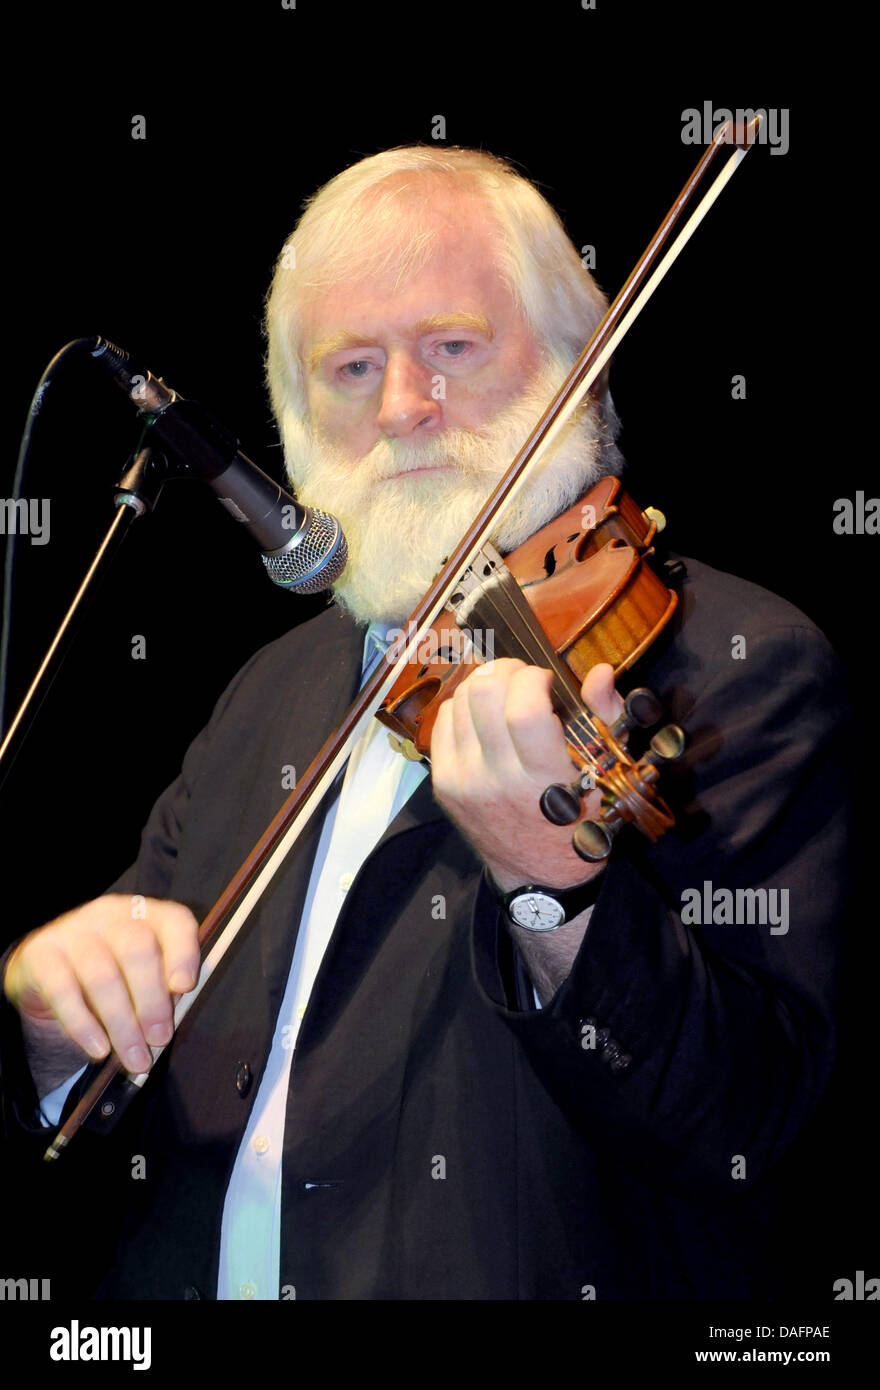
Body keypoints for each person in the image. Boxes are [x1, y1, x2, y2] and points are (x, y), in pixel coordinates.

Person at [0, 146, 848, 1300]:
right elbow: (117, 1051)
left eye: (451, 346)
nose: (403, 406)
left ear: (574, 369)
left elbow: (745, 1123)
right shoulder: (270, 695)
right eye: (350, 367)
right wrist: (57, 1029)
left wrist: (555, 889)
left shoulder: (730, 666)